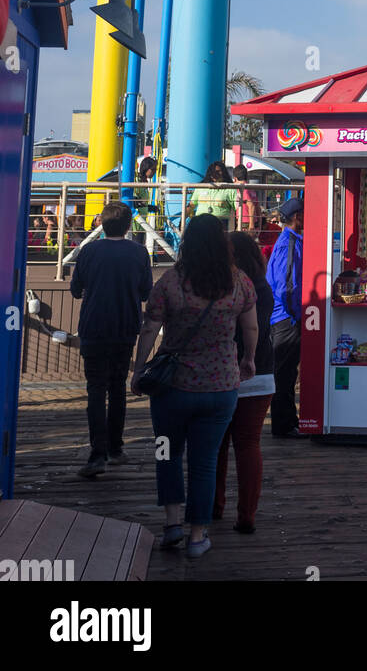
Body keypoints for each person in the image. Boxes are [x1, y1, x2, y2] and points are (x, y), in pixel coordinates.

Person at [131, 215, 257, 557]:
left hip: (171, 388)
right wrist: (249, 360)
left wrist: (139, 370)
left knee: (165, 452)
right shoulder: (240, 283)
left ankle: (172, 524)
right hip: (220, 390)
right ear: (223, 244)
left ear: (188, 243)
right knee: (205, 463)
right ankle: (198, 536)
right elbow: (250, 329)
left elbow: (148, 330)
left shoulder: (171, 283)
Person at [70, 200, 153, 479]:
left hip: (94, 327)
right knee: (117, 387)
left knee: (95, 389)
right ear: (129, 226)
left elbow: (76, 290)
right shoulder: (140, 253)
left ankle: (97, 454)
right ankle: (116, 449)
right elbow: (145, 293)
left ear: (101, 224)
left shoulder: (88, 251)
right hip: (126, 327)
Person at [214, 233, 275, 533]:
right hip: (261, 374)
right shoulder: (263, 288)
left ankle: (214, 505)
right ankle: (247, 513)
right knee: (249, 445)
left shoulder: (224, 287)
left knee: (218, 445)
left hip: (223, 373)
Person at [266, 197, 306, 437]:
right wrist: (295, 314)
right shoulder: (288, 243)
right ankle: (283, 425)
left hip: (285, 316)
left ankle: (288, 421)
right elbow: (286, 287)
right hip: (285, 318)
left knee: (287, 373)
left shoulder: (291, 241)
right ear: (297, 216)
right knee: (284, 374)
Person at [189, 160, 237, 227]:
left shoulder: (230, 188)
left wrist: (239, 224)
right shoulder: (201, 187)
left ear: (223, 172)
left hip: (220, 223)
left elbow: (238, 208)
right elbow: (191, 205)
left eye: (218, 171)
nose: (215, 174)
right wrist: (182, 219)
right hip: (201, 222)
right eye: (213, 172)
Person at [232, 164, 260, 232]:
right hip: (254, 221)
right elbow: (257, 207)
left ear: (235, 178)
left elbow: (251, 206)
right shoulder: (251, 189)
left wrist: (251, 226)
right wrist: (259, 224)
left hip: (245, 223)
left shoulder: (242, 190)